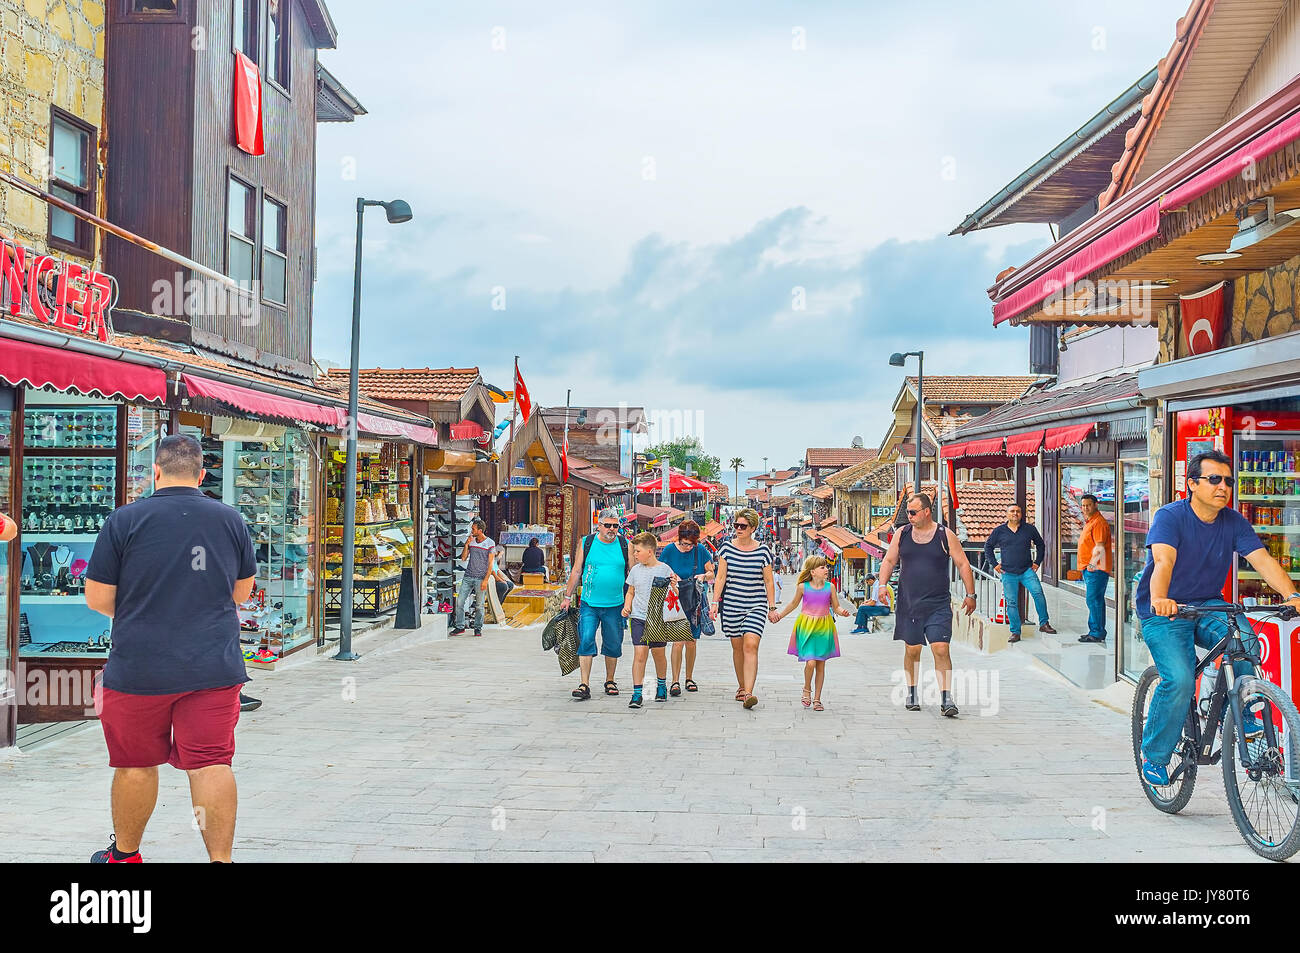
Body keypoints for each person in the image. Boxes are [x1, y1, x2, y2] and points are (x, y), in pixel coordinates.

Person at [83, 435, 256, 863]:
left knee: (136, 764)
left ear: (154, 472)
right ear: (201, 474)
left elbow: (98, 598)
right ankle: (221, 861)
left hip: (139, 668)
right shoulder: (230, 519)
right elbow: (242, 593)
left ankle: (125, 856)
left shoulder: (123, 521)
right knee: (212, 763)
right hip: (212, 668)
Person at [1136, 450, 1300, 786]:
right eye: (1214, 479)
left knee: (1245, 643)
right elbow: (1163, 561)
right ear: (1192, 484)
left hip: (1209, 604)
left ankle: (1235, 713)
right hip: (1165, 610)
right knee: (1180, 680)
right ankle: (1154, 756)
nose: (1223, 486)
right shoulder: (1170, 516)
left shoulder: (1233, 521)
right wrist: (1160, 599)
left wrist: (1292, 595)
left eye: (1228, 481)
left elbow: (1263, 561)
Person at [876, 493, 976, 717]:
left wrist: (971, 594)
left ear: (926, 511)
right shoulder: (902, 534)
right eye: (908, 512)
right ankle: (912, 692)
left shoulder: (944, 535)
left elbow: (962, 563)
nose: (909, 516)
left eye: (913, 512)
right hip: (909, 602)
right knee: (912, 650)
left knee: (941, 648)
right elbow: (890, 560)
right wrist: (881, 586)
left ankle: (946, 698)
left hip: (938, 602)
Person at [561, 509, 630, 701]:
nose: (611, 529)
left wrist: (632, 601)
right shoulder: (587, 543)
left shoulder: (625, 545)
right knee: (586, 639)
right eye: (607, 525)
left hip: (616, 604)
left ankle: (610, 680)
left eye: (615, 525)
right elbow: (576, 571)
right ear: (598, 525)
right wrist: (567, 597)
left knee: (613, 642)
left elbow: (632, 574)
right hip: (589, 602)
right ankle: (584, 684)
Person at [712, 507, 775, 709]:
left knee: (751, 645)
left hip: (756, 604)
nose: (738, 528)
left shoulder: (763, 551)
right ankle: (741, 686)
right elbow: (720, 578)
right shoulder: (726, 549)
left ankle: (748, 693)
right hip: (731, 605)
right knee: (737, 647)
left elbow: (768, 581)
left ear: (753, 528)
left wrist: (772, 607)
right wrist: (714, 603)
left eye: (742, 526)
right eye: (736, 525)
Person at [774, 556, 851, 711]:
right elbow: (794, 604)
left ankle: (817, 699)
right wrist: (780, 616)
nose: (826, 569)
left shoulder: (830, 587)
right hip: (807, 626)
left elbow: (835, 607)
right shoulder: (803, 587)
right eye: (822, 567)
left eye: (825, 567)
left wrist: (842, 612)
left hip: (824, 627)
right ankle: (806, 689)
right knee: (810, 662)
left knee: (821, 664)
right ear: (813, 572)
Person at [983, 503, 1057, 644]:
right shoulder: (999, 531)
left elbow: (1040, 545)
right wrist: (995, 565)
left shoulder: (1029, 529)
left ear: (1021, 514)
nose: (1015, 513)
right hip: (1008, 573)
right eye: (1012, 511)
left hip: (1026, 571)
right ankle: (1015, 632)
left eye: (1018, 511)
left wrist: (1037, 562)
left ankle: (1044, 623)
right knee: (1011, 603)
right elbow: (988, 546)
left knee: (1038, 593)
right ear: (1007, 514)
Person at [657, 519, 714, 695]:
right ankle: (675, 681)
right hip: (675, 599)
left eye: (690, 544)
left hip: (694, 600)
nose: (687, 547)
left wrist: (703, 576)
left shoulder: (700, 550)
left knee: (691, 642)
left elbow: (712, 572)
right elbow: (659, 570)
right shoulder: (669, 550)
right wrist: (672, 577)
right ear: (679, 538)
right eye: (684, 543)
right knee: (677, 641)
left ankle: (689, 677)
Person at [622, 532, 677, 708]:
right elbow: (630, 591)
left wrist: (675, 586)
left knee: (659, 654)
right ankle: (637, 693)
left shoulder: (665, 569)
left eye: (638, 551)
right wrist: (627, 606)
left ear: (650, 551)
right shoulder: (635, 570)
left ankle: (662, 685)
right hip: (638, 617)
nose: (635, 555)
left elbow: (675, 594)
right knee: (640, 654)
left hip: (658, 619)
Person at [1077, 494, 1114, 644]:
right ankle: (1095, 631)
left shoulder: (1099, 522)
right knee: (1094, 600)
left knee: (1093, 600)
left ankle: (1097, 633)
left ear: (1095, 505)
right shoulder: (1090, 521)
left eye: (1088, 505)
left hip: (1096, 569)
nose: (1085, 508)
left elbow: (1099, 545)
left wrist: (1092, 564)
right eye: (1083, 505)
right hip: (1091, 568)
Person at [451, 519, 494, 637]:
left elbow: (491, 564)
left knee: (479, 606)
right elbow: (463, 558)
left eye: (473, 529)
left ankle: (478, 628)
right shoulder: (472, 542)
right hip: (468, 576)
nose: (471, 531)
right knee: (459, 602)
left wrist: (486, 580)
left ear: (480, 530)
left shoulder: (490, 543)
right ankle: (460, 626)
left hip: (481, 578)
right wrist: (466, 544)